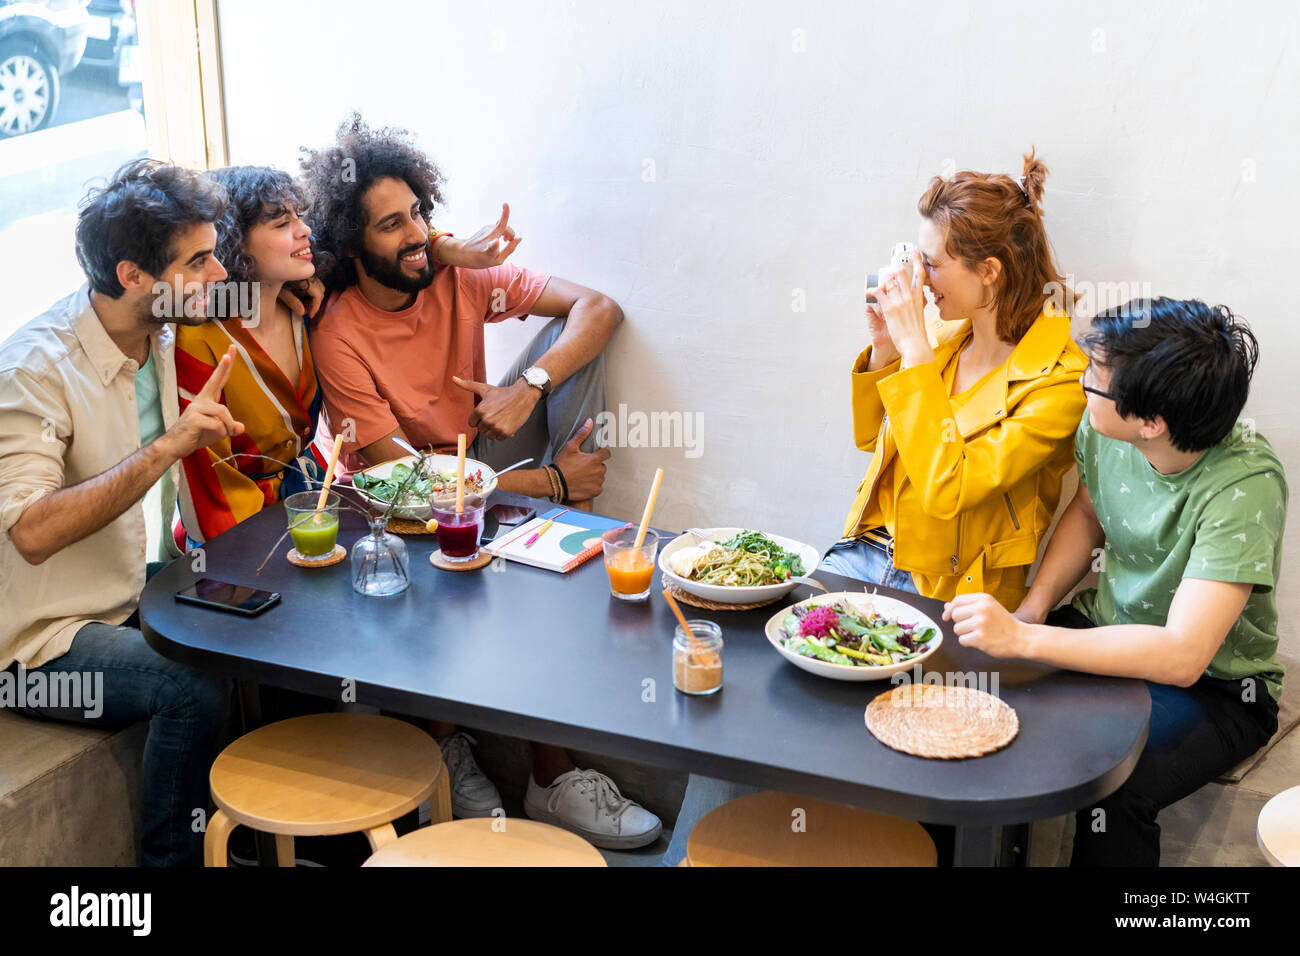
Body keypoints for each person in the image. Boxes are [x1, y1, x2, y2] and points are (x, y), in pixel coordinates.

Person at [664, 151, 1089, 865]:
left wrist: (916, 354)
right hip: (864, 557)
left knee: (846, 732)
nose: (918, 278)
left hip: (948, 591)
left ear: (989, 272)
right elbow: (877, 440)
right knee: (748, 706)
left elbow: (950, 485)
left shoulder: (1060, 380)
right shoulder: (947, 342)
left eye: (934, 263)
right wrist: (888, 350)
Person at [298, 115, 660, 850]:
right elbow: (408, 491)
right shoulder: (339, 334)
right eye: (392, 224)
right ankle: (456, 742)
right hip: (403, 510)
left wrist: (528, 385)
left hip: (483, 468)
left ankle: (568, 528)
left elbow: (600, 309)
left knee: (574, 352)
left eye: (420, 215)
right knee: (466, 536)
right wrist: (551, 480)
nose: (417, 234)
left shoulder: (457, 277)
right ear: (353, 244)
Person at [944, 297, 1286, 866]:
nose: (1081, 383)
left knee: (1118, 783)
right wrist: (1033, 609)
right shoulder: (1106, 426)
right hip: (1103, 631)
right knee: (966, 702)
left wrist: (1026, 640)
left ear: (1152, 422)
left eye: (1094, 379)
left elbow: (1182, 657)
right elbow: (1087, 513)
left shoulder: (1246, 484)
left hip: (1218, 688)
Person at [0, 159, 239, 866]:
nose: (220, 276)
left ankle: (265, 840)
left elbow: (265, 287)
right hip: (36, 644)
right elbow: (32, 533)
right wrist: (168, 447)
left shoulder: (157, 327)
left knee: (267, 621)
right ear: (133, 275)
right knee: (190, 687)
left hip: (127, 594)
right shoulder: (33, 372)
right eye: (199, 261)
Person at [174, 165, 505, 543]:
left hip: (317, 505)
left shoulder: (305, 307)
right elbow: (207, 485)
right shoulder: (199, 341)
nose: (305, 229)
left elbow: (390, 239)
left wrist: (447, 244)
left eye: (300, 216)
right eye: (282, 224)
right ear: (232, 241)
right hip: (238, 540)